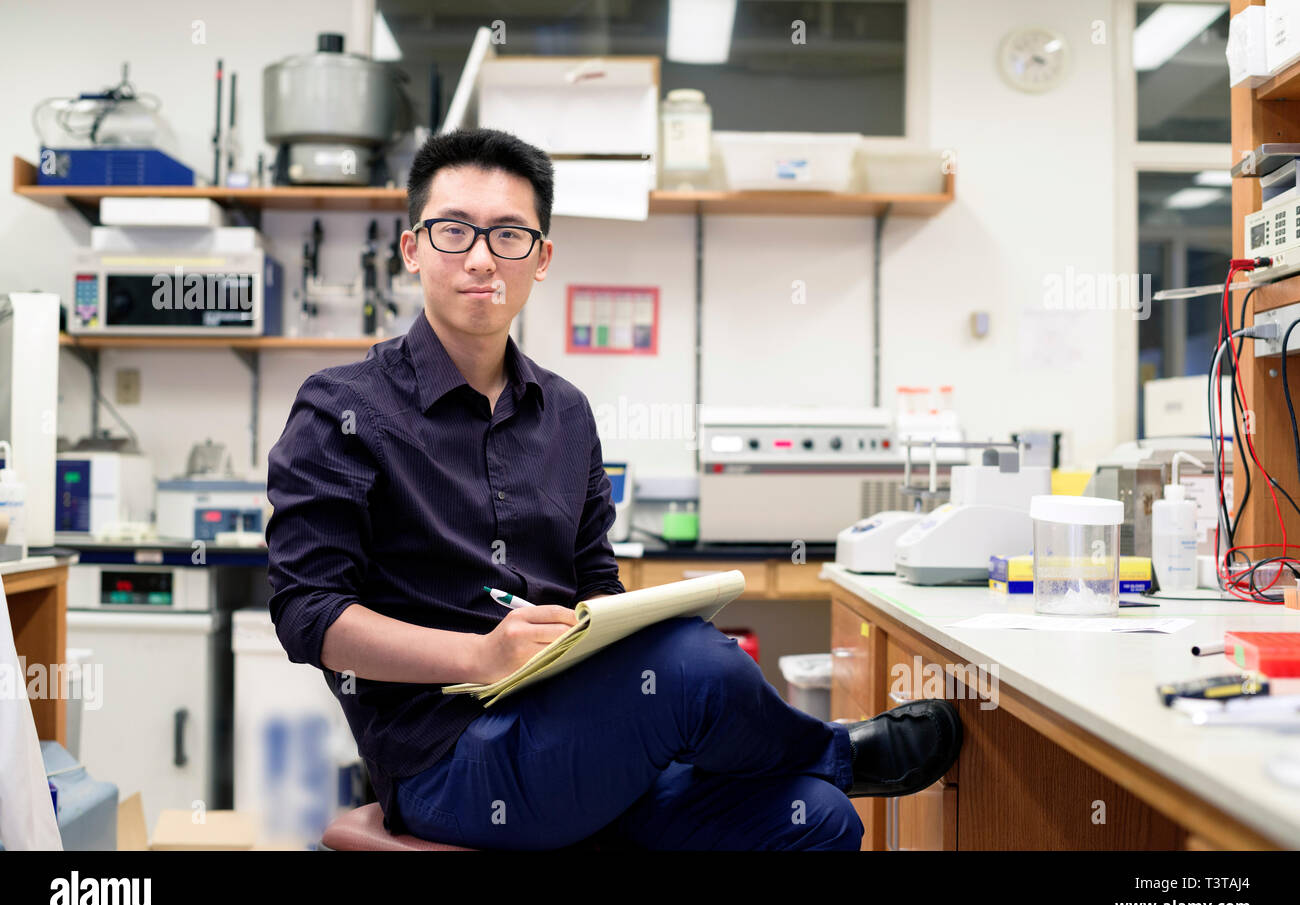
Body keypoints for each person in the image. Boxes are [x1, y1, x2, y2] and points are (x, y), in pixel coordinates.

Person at [266, 128, 961, 851]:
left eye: (508, 234)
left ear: (541, 259)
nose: (479, 257)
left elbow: (596, 584)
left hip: (580, 737)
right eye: (453, 231)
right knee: (698, 668)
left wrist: (642, 639)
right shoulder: (342, 408)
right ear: (413, 248)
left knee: (817, 818)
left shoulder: (565, 413)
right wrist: (480, 656)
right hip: (448, 764)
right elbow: (307, 615)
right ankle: (841, 754)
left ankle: (809, 764)